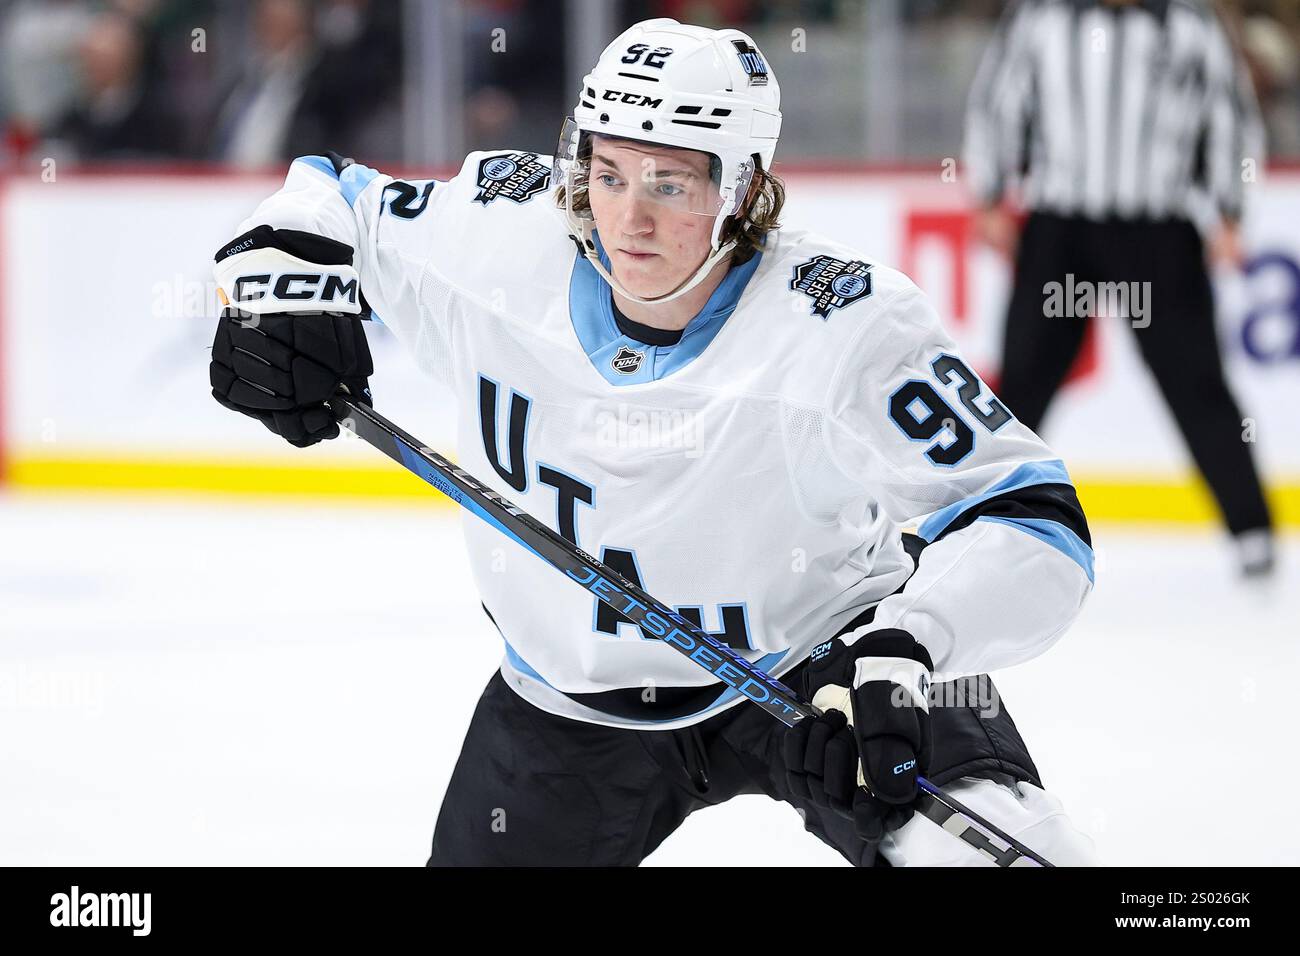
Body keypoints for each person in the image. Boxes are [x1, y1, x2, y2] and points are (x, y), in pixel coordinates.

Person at [208, 19, 1098, 866]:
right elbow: (328, 193)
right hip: (569, 700)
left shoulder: (843, 324)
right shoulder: (495, 232)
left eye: (670, 184)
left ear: (744, 189)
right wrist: (275, 290)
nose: (627, 220)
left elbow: (1034, 518)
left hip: (817, 669)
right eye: (609, 173)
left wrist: (903, 650)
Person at [964, 0, 1274, 576]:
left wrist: (1230, 209)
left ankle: (1251, 528)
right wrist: (989, 193)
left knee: (1196, 381)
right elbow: (999, 100)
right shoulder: (1041, 19)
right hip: (1062, 232)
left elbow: (1228, 110)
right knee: (1024, 382)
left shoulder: (1189, 24)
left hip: (1156, 235)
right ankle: (978, 518)